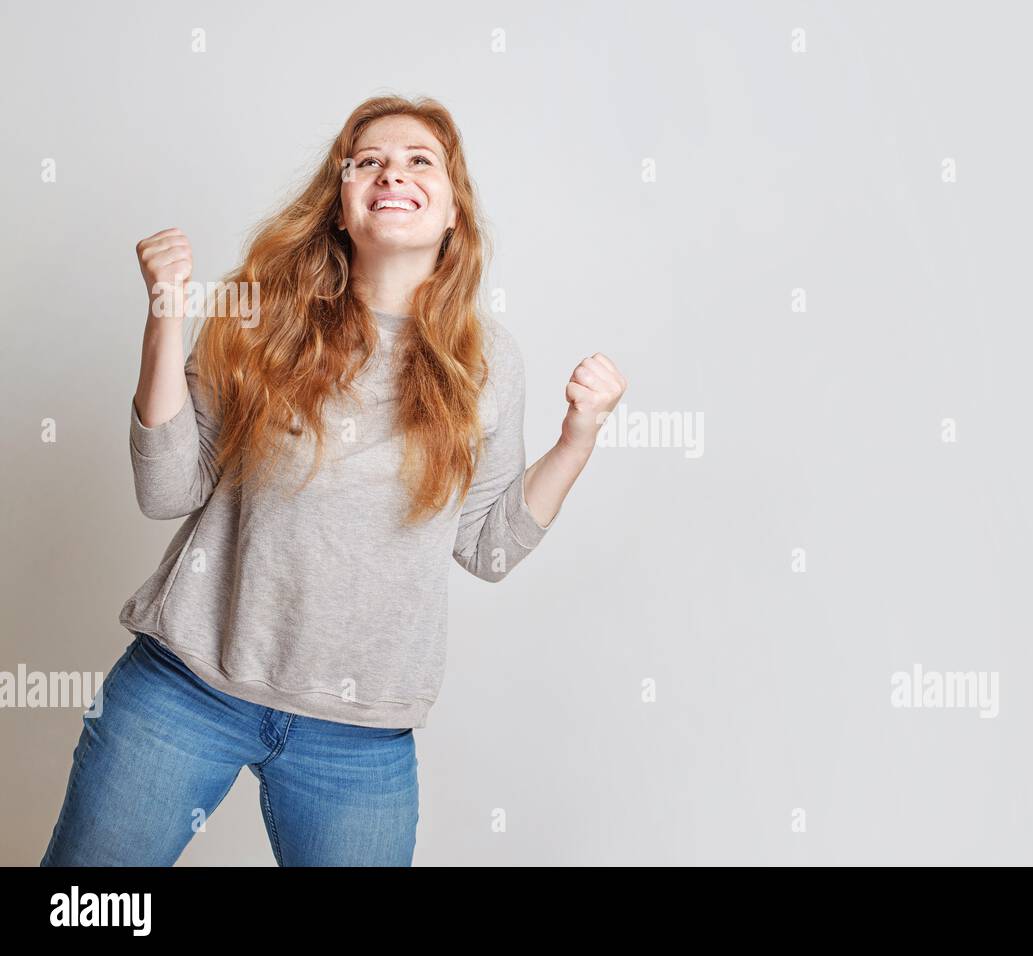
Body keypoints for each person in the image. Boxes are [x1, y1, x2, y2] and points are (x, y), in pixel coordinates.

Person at [40, 94, 627, 866]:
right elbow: (167, 489)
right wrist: (165, 317)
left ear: (454, 213)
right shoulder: (261, 319)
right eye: (369, 161)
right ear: (342, 207)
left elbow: (486, 550)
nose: (395, 173)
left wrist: (577, 439)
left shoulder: (490, 364)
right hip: (188, 689)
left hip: (357, 737)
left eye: (422, 162)